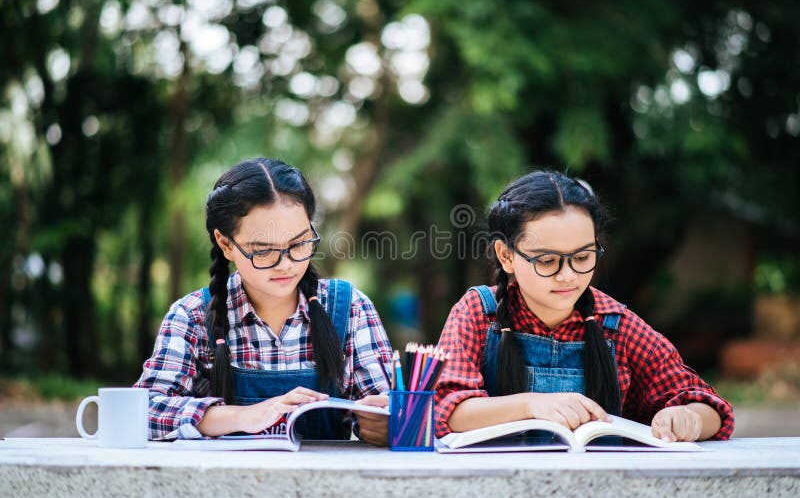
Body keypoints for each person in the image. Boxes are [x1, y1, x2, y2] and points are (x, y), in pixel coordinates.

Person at [434, 171, 734, 442]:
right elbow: (446, 410)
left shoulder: (615, 324)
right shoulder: (478, 313)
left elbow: (710, 407)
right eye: (547, 261)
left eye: (582, 257)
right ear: (506, 255)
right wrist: (531, 404)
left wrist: (688, 418)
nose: (568, 276)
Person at [135, 158, 392, 445]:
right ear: (226, 244)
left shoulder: (349, 309)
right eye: (264, 251)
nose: (285, 264)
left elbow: (388, 406)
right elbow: (143, 411)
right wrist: (246, 415)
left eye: (299, 244)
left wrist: (385, 423)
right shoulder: (192, 315)